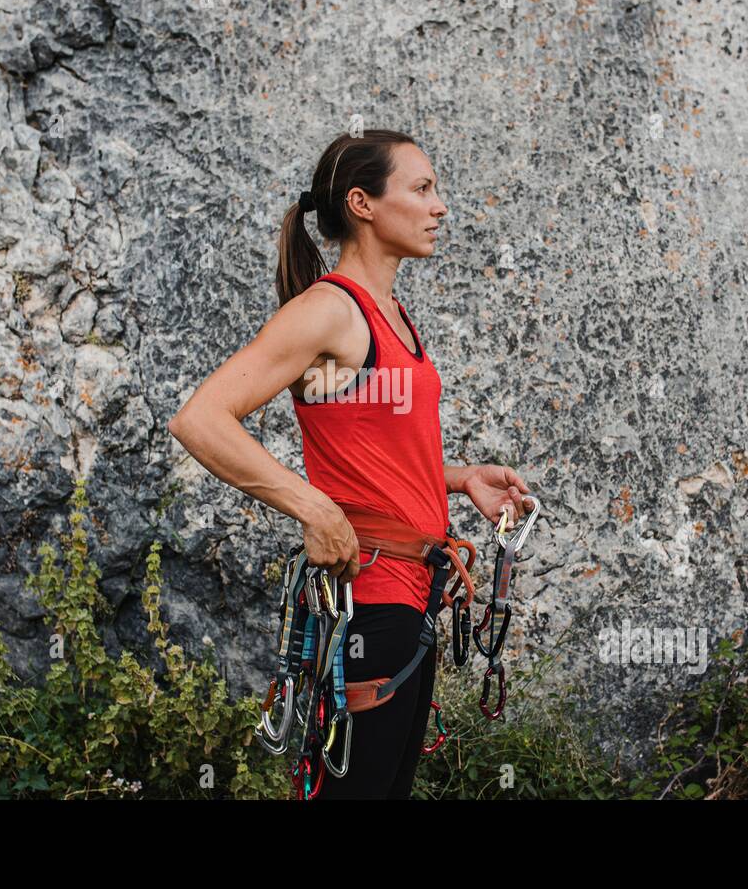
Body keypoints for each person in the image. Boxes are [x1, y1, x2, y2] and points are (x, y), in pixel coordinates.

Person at [167, 128, 533, 799]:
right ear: (363, 203)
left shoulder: (392, 314)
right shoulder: (330, 312)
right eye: (421, 189)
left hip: (412, 595)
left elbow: (366, 440)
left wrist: (459, 478)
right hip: (370, 602)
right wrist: (313, 505)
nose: (439, 205)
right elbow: (200, 418)